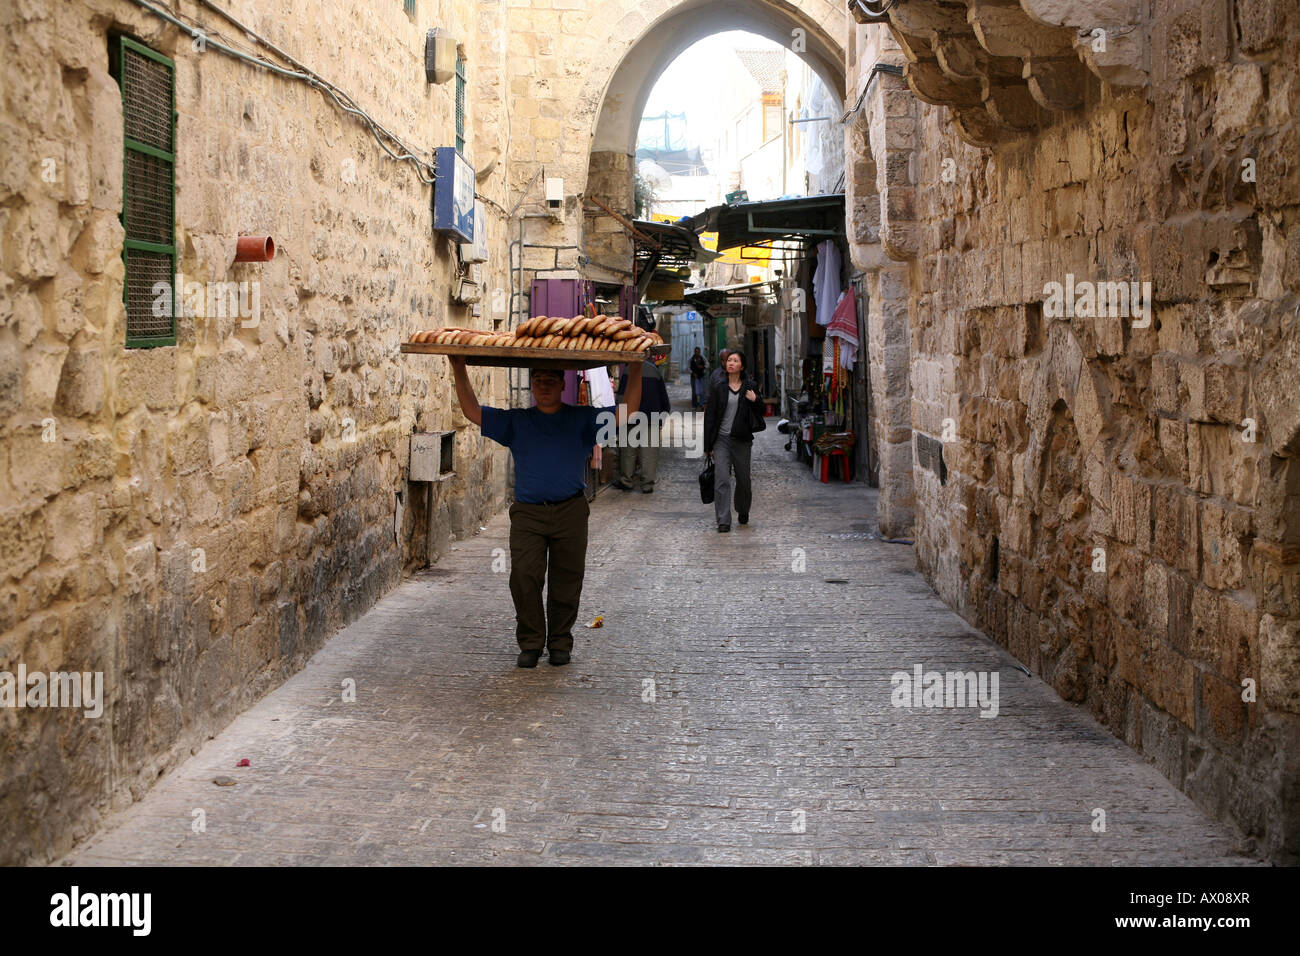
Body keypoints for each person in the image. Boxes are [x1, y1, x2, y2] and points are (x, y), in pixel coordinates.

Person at [447, 357, 642, 667]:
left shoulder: (583, 420)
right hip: (528, 515)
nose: (545, 386)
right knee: (524, 576)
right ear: (532, 387)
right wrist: (458, 368)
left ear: (563, 385)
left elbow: (628, 409)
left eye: (551, 380)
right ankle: (531, 642)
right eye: (539, 381)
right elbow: (472, 411)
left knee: (567, 578)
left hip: (571, 511)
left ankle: (560, 642)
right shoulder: (517, 421)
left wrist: (637, 367)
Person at [703, 349, 763, 533]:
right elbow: (710, 417)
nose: (731, 363)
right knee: (722, 479)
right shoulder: (719, 387)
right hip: (721, 440)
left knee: (743, 480)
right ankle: (723, 520)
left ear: (742, 366)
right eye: (729, 360)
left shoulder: (750, 386)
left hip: (742, 440)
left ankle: (743, 509)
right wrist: (708, 445)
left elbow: (761, 410)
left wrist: (755, 399)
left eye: (735, 360)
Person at [615, 358, 671, 493]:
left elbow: (622, 395)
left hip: (630, 417)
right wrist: (663, 413)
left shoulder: (628, 370)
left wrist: (619, 418)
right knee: (649, 452)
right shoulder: (655, 371)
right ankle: (647, 485)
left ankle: (626, 481)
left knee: (628, 451)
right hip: (652, 417)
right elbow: (663, 396)